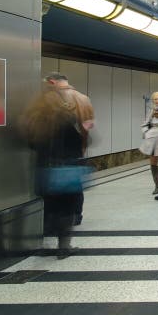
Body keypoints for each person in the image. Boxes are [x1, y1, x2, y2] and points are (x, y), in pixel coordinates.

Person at [22, 81, 89, 259]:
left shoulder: (34, 119)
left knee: (49, 207)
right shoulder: (65, 117)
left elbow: (32, 144)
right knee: (66, 209)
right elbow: (77, 142)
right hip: (64, 169)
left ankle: (44, 245)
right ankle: (63, 247)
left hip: (43, 168)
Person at [43, 72, 94, 225]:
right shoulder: (83, 98)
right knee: (74, 183)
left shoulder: (51, 98)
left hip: (55, 148)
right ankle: (76, 215)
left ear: (52, 82)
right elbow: (89, 125)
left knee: (55, 185)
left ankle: (56, 219)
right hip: (78, 147)